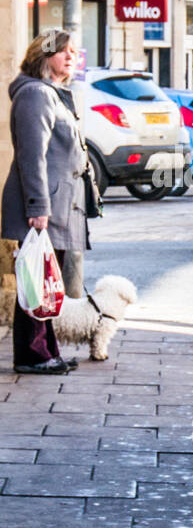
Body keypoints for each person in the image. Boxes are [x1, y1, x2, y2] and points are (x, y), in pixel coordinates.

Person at [1, 29, 91, 375]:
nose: (71, 56)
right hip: (44, 209)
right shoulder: (36, 94)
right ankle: (31, 355)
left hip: (59, 207)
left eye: (74, 52)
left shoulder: (54, 93)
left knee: (45, 282)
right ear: (44, 54)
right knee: (36, 282)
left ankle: (45, 350)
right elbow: (31, 156)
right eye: (63, 51)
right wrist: (38, 207)